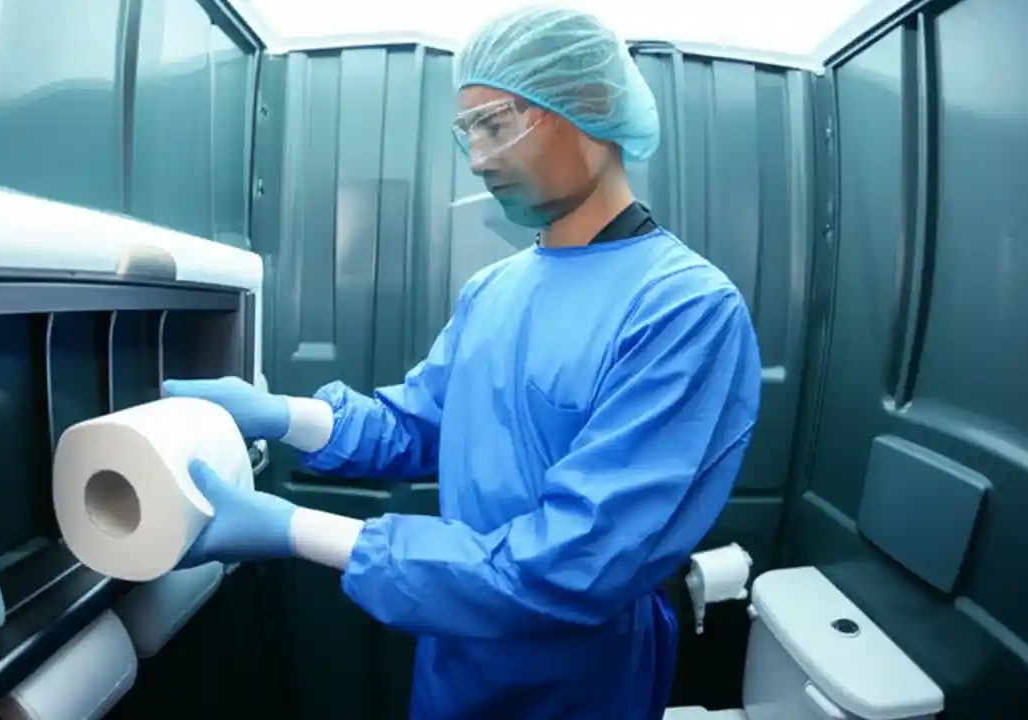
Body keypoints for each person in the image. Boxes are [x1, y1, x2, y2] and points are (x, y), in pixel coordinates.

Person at [163, 5, 762, 719]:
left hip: (579, 680)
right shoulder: (494, 289)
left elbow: (575, 563)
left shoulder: (684, 308)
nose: (477, 159)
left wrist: (294, 529)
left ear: (591, 104)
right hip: (456, 650)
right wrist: (283, 415)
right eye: (466, 132)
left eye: (496, 125)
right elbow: (419, 424)